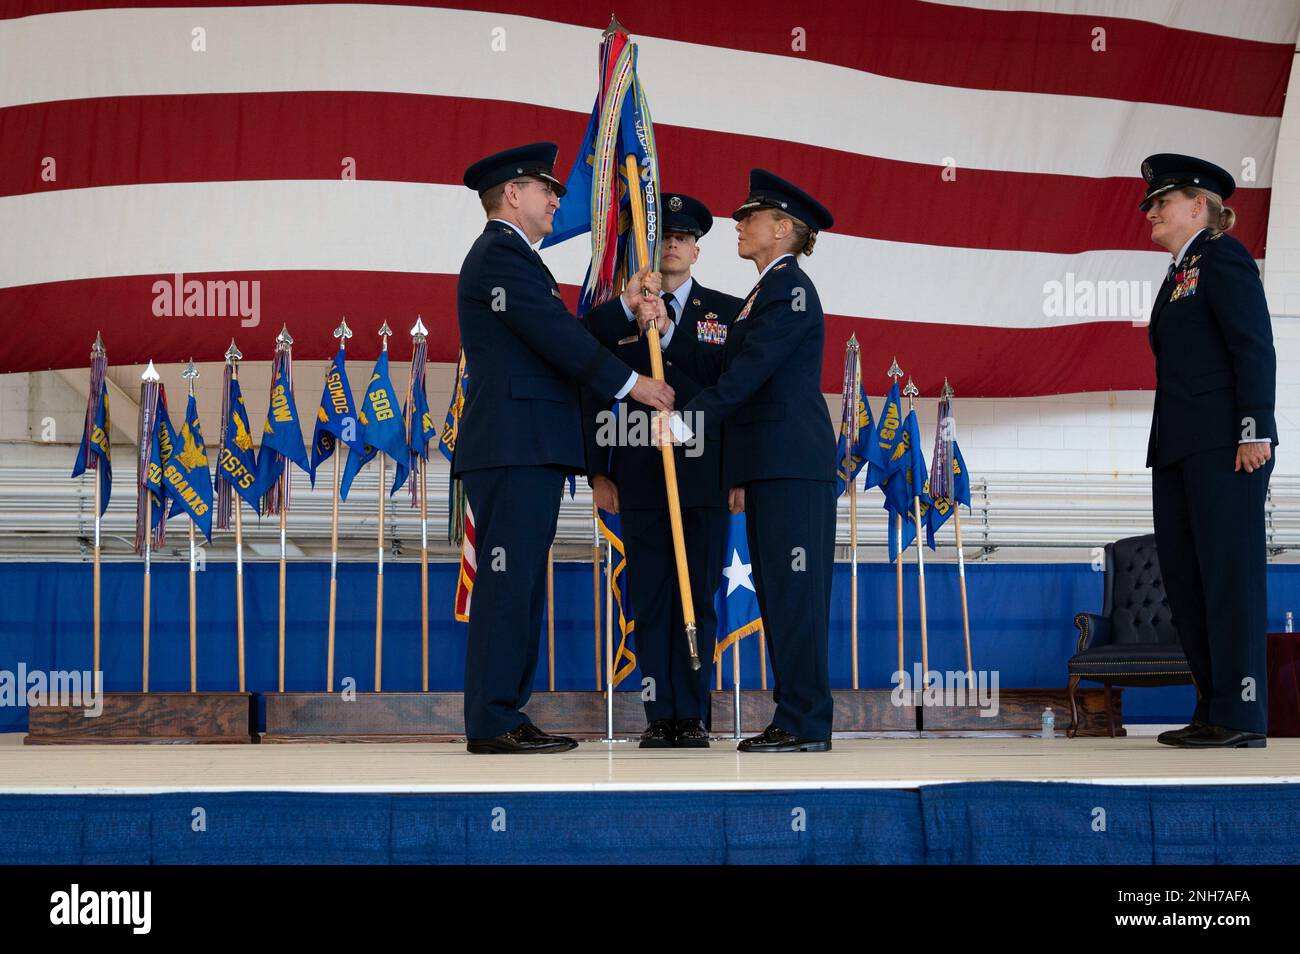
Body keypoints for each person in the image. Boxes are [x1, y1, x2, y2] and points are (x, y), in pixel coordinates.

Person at [454, 142, 674, 754]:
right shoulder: (501, 255)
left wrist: (624, 307)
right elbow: (557, 342)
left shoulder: (518, 261)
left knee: (520, 585)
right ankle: (494, 719)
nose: (557, 198)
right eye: (545, 188)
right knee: (509, 585)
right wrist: (636, 385)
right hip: (513, 447)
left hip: (528, 448)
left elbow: (562, 334)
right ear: (511, 195)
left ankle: (504, 713)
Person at [642, 169, 838, 752]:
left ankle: (805, 722)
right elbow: (734, 374)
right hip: (770, 464)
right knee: (781, 590)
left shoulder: (789, 288)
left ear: (781, 230)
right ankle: (795, 716)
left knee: (796, 594)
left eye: (749, 217)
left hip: (792, 464)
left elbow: (749, 375)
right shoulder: (764, 291)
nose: (738, 223)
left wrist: (684, 421)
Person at [582, 193, 744, 748]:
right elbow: (587, 381)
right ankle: (660, 715)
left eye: (682, 237)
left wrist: (740, 472)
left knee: (697, 596)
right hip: (639, 477)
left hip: (703, 477)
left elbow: (738, 393)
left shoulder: (726, 312)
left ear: (696, 250)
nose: (671, 244)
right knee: (651, 598)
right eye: (662, 236)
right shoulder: (617, 316)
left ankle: (693, 713)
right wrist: (596, 473)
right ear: (644, 248)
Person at [1139, 153, 1277, 749]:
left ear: (1199, 205)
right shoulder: (1178, 274)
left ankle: (1241, 714)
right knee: (1189, 581)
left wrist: (1255, 428)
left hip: (1226, 446)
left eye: (1161, 202)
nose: (1150, 212)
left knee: (1228, 578)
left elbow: (1253, 345)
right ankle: (1213, 708)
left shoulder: (1223, 258)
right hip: (1179, 448)